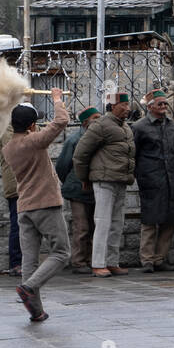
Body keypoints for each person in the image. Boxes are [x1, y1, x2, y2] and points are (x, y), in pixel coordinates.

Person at [3, 91, 70, 323]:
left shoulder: (9, 147)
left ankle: (36, 310)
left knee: (29, 262)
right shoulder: (34, 140)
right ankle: (29, 287)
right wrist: (57, 99)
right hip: (46, 204)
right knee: (61, 252)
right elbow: (61, 121)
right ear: (32, 125)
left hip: (24, 208)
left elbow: (32, 131)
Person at [74, 92, 136, 277]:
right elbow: (80, 154)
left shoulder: (125, 127)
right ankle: (98, 263)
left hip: (120, 180)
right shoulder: (100, 125)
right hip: (104, 180)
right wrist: (84, 178)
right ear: (112, 106)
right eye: (123, 105)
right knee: (102, 222)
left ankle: (112, 261)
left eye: (127, 105)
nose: (127, 108)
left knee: (117, 223)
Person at [133, 89, 174, 273]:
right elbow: (134, 154)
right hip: (151, 179)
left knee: (169, 219)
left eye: (165, 104)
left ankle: (160, 258)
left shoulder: (171, 126)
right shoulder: (139, 127)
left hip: (171, 178)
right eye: (160, 104)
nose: (163, 107)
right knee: (150, 220)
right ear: (150, 107)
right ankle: (146, 259)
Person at [56, 107, 99, 273]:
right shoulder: (74, 140)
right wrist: (74, 180)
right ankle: (79, 261)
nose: (98, 120)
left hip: (93, 187)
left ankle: (89, 259)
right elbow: (62, 166)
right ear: (85, 122)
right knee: (81, 227)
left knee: (92, 226)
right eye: (95, 118)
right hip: (77, 189)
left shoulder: (98, 138)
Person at [0, 124, 22, 275]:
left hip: (28, 184)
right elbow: (16, 147)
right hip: (16, 184)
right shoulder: (6, 128)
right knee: (18, 225)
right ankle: (16, 263)